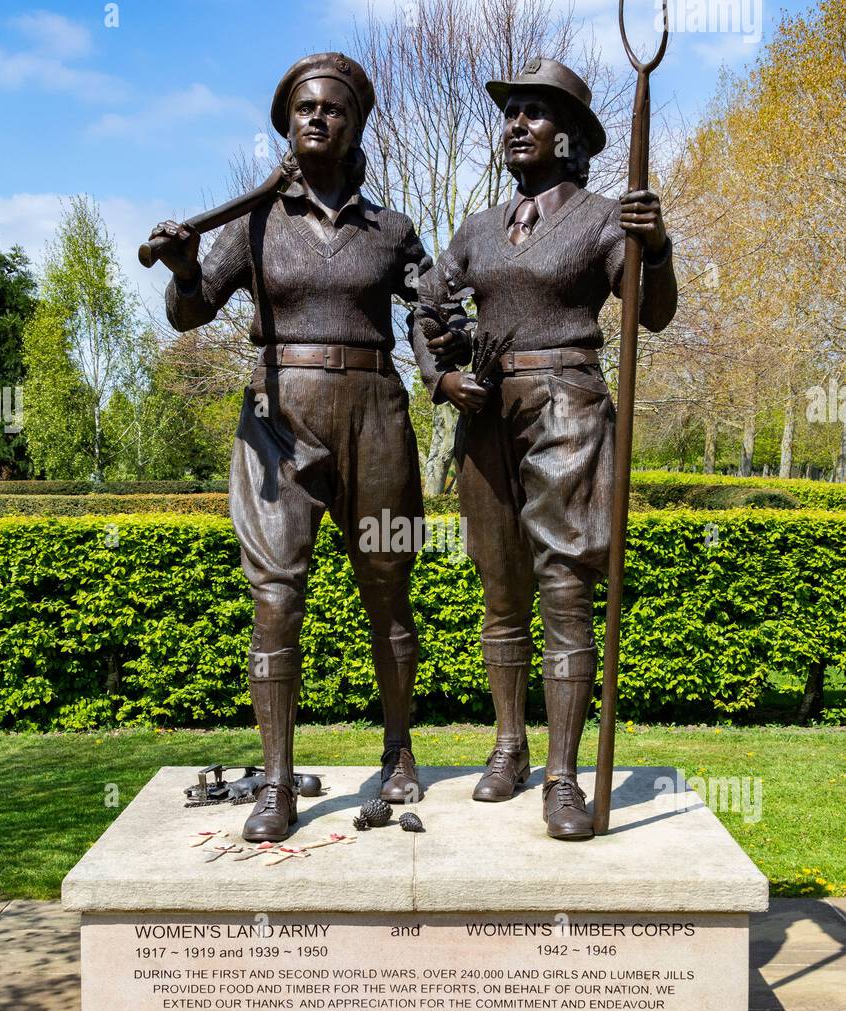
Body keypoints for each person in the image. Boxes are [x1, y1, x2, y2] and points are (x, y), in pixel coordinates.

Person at [149, 53, 431, 842]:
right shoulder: (254, 225)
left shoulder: (393, 231)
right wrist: (181, 270)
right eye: (302, 107)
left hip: (376, 416)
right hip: (280, 423)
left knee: (388, 589)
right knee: (275, 597)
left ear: (355, 127)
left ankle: (399, 747)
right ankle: (276, 782)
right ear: (287, 123)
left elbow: (435, 311)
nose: (315, 117)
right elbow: (190, 313)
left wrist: (458, 336)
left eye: (332, 109)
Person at [411, 57, 677, 840]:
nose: (515, 125)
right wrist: (440, 379)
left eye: (534, 113)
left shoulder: (602, 218)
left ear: (571, 138)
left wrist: (654, 249)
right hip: (486, 414)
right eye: (511, 113)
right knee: (501, 591)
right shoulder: (479, 228)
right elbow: (425, 310)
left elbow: (650, 315)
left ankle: (563, 776)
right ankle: (509, 747)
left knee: (564, 590)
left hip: (567, 404)